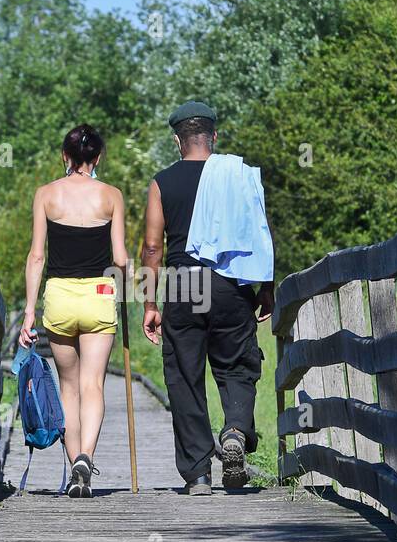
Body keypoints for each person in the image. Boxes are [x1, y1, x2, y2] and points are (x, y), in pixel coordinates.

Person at [141, 101, 274, 495]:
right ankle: (234, 431)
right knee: (236, 365)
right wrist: (266, 286)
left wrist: (150, 303)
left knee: (184, 375)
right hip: (230, 283)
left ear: (176, 140)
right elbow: (260, 230)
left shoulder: (162, 182)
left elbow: (152, 248)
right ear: (213, 137)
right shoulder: (239, 176)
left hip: (184, 284)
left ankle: (199, 472)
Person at [19, 124, 128, 498]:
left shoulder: (46, 194)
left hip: (60, 297)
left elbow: (37, 256)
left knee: (69, 386)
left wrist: (30, 312)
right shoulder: (111, 195)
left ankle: (73, 472)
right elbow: (119, 258)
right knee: (92, 384)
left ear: (64, 156)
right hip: (98, 294)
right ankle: (86, 457)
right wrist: (134, 290)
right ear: (97, 158)